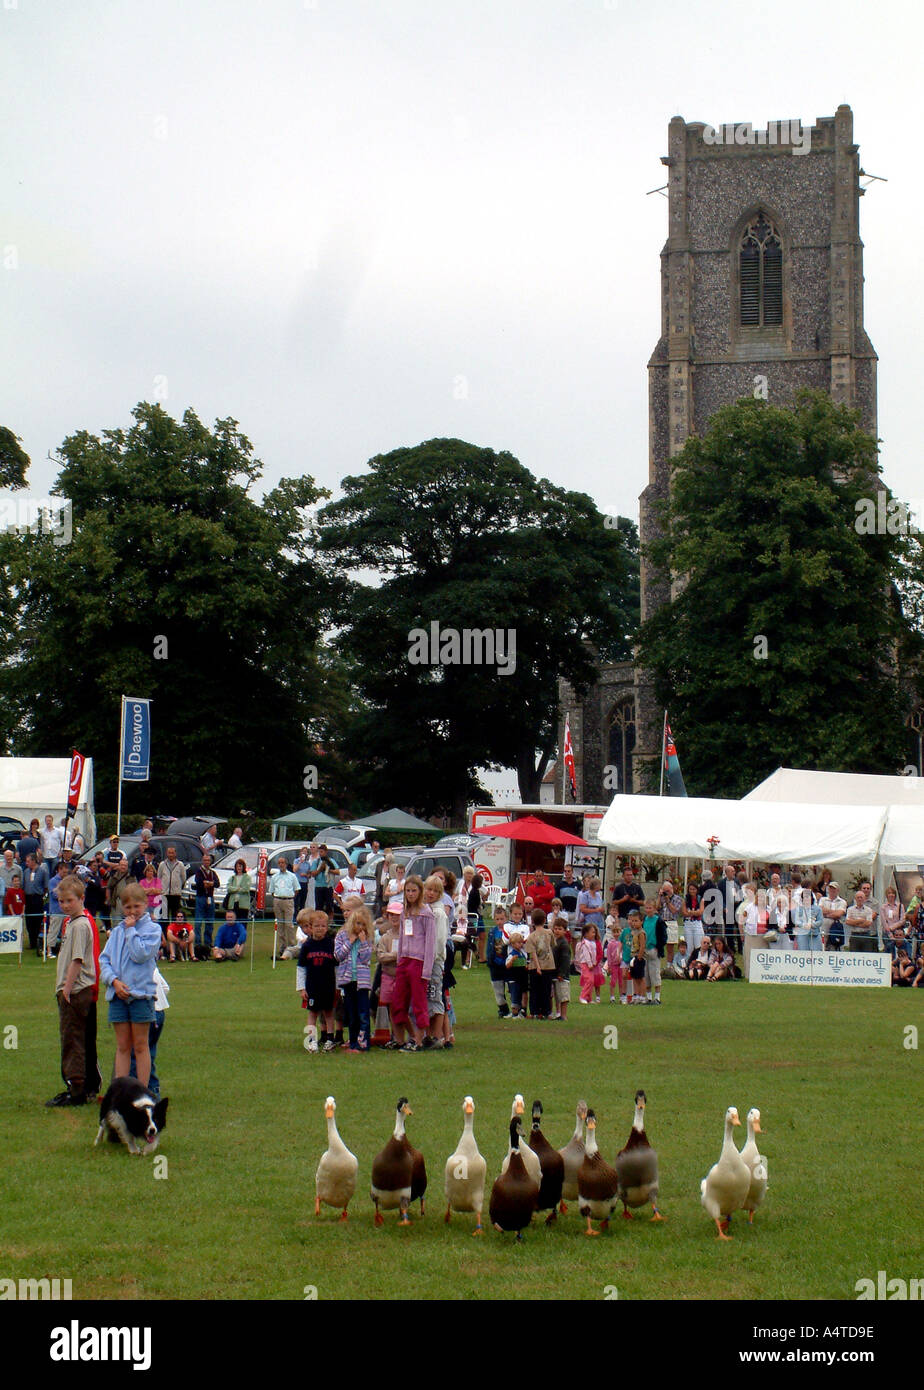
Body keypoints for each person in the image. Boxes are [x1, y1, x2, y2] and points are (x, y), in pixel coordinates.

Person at [45, 874, 102, 1107]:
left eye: (69, 900)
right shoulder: (72, 923)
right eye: (61, 901)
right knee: (73, 1038)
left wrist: (66, 990)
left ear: (81, 898)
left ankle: (77, 1089)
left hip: (77, 991)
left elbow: (77, 960)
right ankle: (76, 1086)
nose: (65, 905)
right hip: (74, 990)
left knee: (74, 1040)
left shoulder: (80, 924)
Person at [98, 882, 161, 1087]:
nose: (132, 911)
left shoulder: (153, 930)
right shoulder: (116, 932)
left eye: (137, 906)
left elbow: (141, 954)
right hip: (118, 995)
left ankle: (141, 1090)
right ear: (121, 908)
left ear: (145, 905)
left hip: (141, 995)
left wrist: (131, 931)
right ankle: (120, 1090)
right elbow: (104, 960)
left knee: (141, 1046)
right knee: (122, 1046)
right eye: (128, 907)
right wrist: (114, 982)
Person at [390, 876, 435, 1052]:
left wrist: (427, 969)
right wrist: (399, 960)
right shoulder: (404, 913)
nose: (410, 894)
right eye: (408, 891)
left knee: (418, 1002)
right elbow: (402, 939)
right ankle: (406, 1037)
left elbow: (430, 942)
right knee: (398, 1000)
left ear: (420, 892)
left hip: (419, 961)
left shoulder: (427, 914)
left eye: (414, 891)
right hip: (405, 961)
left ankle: (419, 1040)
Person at [297, 909, 337, 1052]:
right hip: (312, 986)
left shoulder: (331, 944)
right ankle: (311, 1040)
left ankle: (330, 1039)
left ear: (327, 927)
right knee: (313, 1013)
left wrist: (339, 987)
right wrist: (302, 988)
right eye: (317, 926)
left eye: (323, 926)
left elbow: (337, 967)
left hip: (328, 985)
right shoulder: (307, 946)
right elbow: (301, 968)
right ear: (311, 927)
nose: (320, 929)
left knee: (328, 1012)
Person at [334, 906, 373, 1051]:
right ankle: (353, 1042)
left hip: (361, 982)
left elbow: (366, 958)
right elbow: (338, 955)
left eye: (363, 924)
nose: (360, 927)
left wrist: (362, 942)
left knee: (363, 1013)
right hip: (348, 980)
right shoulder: (342, 936)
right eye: (358, 924)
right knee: (351, 1013)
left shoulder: (367, 939)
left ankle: (363, 1043)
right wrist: (349, 942)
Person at [129, 965, 169, 1098]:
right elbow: (165, 988)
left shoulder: (133, 969)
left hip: (147, 1012)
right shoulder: (153, 967)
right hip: (160, 1012)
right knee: (149, 1051)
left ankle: (137, 1090)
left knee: (137, 1053)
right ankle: (153, 1088)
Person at [423, 875, 450, 1048]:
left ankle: (437, 1036)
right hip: (425, 960)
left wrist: (434, 959)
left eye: (435, 891)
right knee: (427, 998)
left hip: (435, 960)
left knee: (435, 997)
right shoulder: (426, 909)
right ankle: (429, 1035)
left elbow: (440, 941)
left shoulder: (439, 913)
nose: (431, 893)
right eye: (429, 889)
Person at [374, 906, 401, 1045]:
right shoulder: (385, 937)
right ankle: (394, 1036)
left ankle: (402, 1036)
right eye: (392, 915)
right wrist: (395, 956)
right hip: (387, 975)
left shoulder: (406, 936)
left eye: (398, 915)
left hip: (402, 977)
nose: (395, 918)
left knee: (402, 1008)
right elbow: (380, 956)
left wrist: (391, 957)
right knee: (389, 1006)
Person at [524, 908, 555, 1019]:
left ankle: (534, 1012)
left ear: (532, 921)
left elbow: (533, 953)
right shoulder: (549, 933)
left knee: (534, 991)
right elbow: (552, 945)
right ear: (544, 920)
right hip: (548, 966)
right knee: (546, 991)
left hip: (534, 967)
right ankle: (546, 1012)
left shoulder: (531, 936)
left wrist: (537, 967)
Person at [486, 906, 511, 1017]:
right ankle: (503, 1008)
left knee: (511, 987)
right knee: (498, 988)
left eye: (502, 919)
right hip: (495, 964)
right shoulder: (492, 932)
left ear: (506, 918)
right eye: (497, 919)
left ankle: (516, 1008)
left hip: (507, 963)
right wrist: (489, 959)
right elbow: (489, 947)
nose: (500, 922)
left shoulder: (509, 931)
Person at [22, 853, 49, 954]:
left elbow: (46, 886)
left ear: (33, 861)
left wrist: (43, 898)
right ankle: (31, 942)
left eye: (28, 861)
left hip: (37, 898)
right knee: (29, 920)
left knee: (37, 920)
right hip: (28, 898)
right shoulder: (26, 872)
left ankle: (38, 941)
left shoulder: (42, 871)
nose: (27, 863)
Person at [193, 853, 219, 954]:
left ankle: (208, 942)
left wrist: (209, 883)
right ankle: (198, 942)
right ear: (202, 861)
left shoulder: (212, 872)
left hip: (210, 898)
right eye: (205, 860)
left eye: (208, 860)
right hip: (201, 897)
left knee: (210, 921)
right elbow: (199, 883)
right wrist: (208, 883)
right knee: (198, 921)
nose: (207, 862)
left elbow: (217, 883)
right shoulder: (199, 872)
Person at [642, 897, 666, 1005]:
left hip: (654, 949)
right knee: (646, 974)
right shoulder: (644, 920)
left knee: (655, 974)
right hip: (645, 949)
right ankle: (648, 997)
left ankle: (657, 997)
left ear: (654, 908)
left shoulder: (659, 921)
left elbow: (663, 936)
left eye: (650, 908)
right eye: (646, 908)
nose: (648, 910)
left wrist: (658, 947)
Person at [158, 845, 187, 924]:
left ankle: (174, 934)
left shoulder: (180, 865)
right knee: (164, 917)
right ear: (167, 853)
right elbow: (159, 878)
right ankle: (165, 933)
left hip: (175, 894)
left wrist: (178, 888)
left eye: (172, 853)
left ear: (175, 854)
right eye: (169, 853)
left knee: (175, 916)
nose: (171, 855)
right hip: (165, 894)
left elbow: (183, 878)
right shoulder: (162, 864)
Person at [505, 925, 529, 1017]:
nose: (520, 945)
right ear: (512, 944)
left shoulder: (522, 954)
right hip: (514, 978)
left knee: (521, 993)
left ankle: (521, 1011)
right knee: (514, 995)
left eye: (521, 942)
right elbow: (507, 965)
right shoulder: (511, 955)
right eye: (518, 943)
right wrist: (512, 961)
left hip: (522, 977)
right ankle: (514, 1013)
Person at [551, 917, 572, 1020]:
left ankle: (564, 1015)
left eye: (560, 929)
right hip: (554, 973)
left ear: (564, 930)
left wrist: (562, 974)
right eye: (555, 928)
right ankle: (558, 1013)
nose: (557, 931)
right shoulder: (554, 942)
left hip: (562, 975)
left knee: (563, 996)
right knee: (556, 996)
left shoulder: (564, 944)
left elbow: (565, 960)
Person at [576, 923, 600, 1004]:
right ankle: (582, 996)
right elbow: (586, 955)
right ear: (586, 933)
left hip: (591, 965)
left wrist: (594, 963)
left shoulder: (592, 943)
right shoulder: (585, 943)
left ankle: (588, 998)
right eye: (592, 932)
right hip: (586, 964)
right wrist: (590, 964)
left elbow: (593, 954)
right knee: (589, 980)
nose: (594, 934)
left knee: (592, 981)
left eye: (594, 932)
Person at [821, 880, 847, 950]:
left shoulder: (842, 902)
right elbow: (820, 911)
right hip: (823, 927)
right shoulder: (823, 900)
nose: (832, 890)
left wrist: (826, 914)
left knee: (835, 946)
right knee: (823, 946)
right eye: (830, 888)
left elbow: (839, 914)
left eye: (834, 888)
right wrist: (834, 912)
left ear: (838, 890)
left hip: (836, 927)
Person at [225, 859, 253, 923]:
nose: (239, 868)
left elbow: (246, 889)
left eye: (240, 866)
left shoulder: (247, 877)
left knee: (242, 923)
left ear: (243, 867)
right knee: (233, 923)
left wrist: (234, 889)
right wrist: (238, 889)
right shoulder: (232, 878)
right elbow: (229, 889)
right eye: (237, 866)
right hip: (233, 904)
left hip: (243, 905)